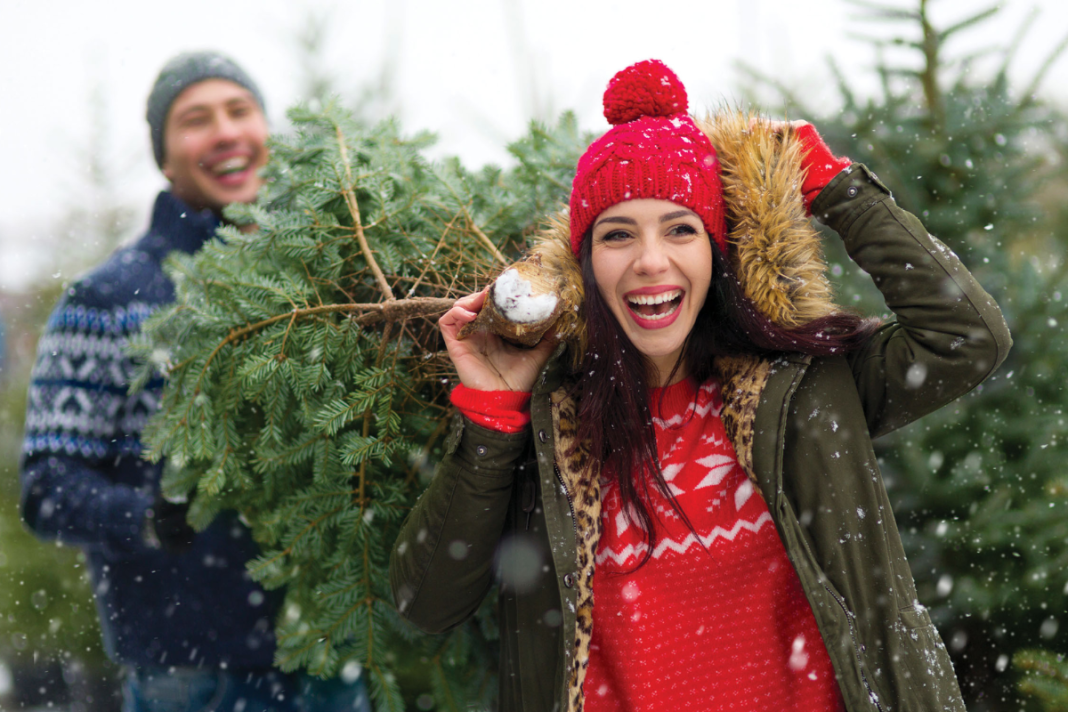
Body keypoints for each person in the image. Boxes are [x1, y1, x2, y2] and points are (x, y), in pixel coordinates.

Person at [389, 59, 1011, 711]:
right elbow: (424, 601)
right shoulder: (554, 424)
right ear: (585, 265)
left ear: (716, 251)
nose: (650, 260)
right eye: (617, 235)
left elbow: (967, 337)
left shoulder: (803, 387)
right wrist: (492, 417)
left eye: (680, 229)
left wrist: (837, 189)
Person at [20, 52, 369, 712]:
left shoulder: (332, 280)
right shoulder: (109, 299)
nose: (226, 132)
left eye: (240, 111)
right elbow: (47, 485)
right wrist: (148, 518)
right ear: (165, 157)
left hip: (331, 655)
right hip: (191, 670)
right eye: (196, 120)